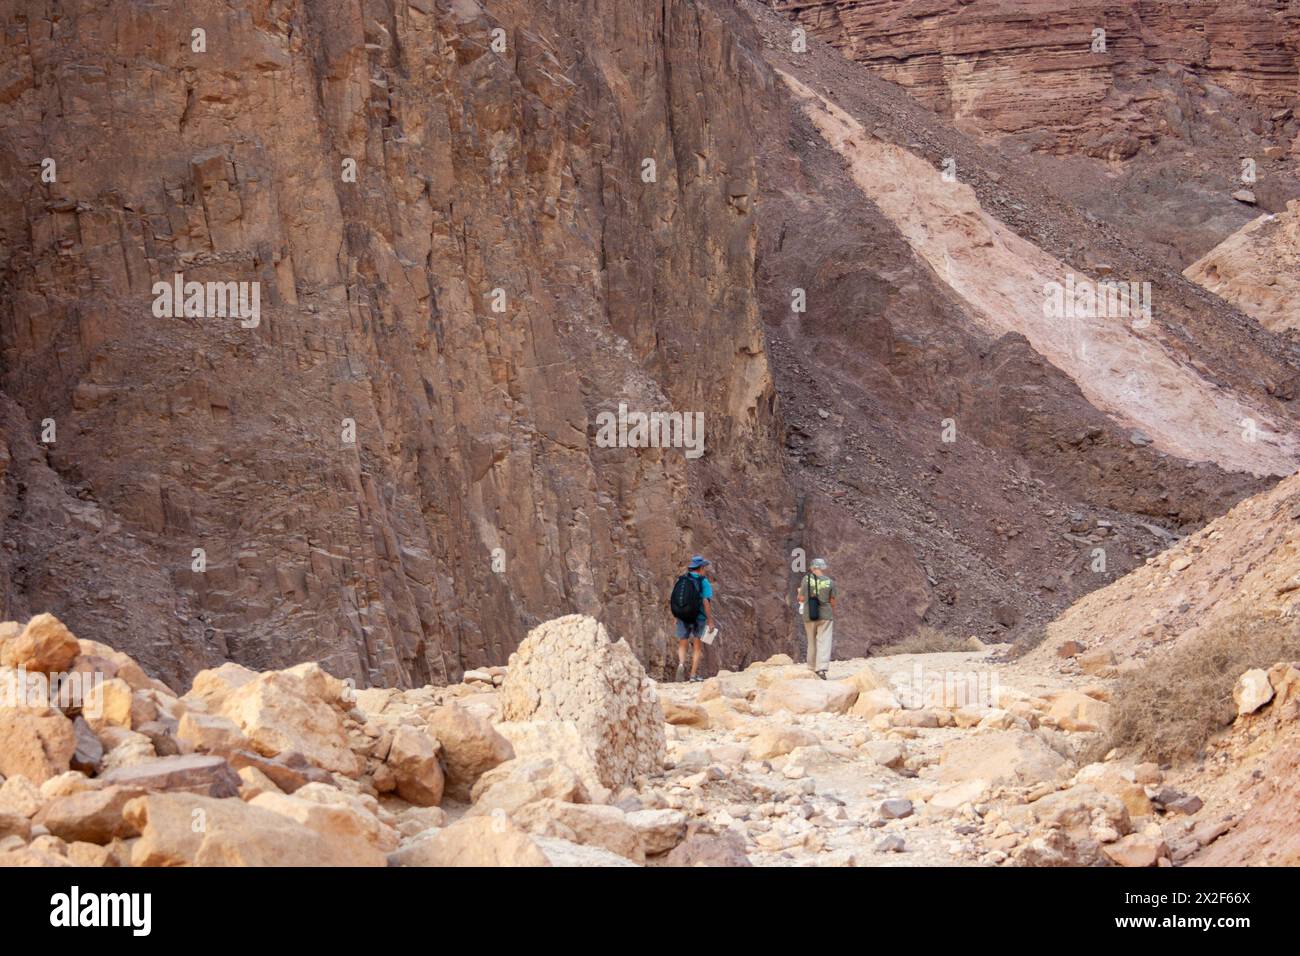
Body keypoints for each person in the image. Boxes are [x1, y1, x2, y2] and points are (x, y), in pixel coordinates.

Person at [670, 555, 714, 682]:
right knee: (697, 647)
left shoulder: (682, 579)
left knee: (682, 643)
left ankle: (681, 664)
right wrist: (710, 621)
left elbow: (676, 598)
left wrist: (677, 615)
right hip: (698, 618)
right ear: (700, 568)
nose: (704, 569)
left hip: (682, 616)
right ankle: (693, 675)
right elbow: (706, 602)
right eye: (704, 567)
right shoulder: (703, 582)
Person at [797, 558, 836, 680]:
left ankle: (811, 668)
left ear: (812, 568)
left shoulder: (806, 579)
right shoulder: (830, 582)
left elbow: (801, 598)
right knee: (824, 641)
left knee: (811, 641)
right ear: (822, 567)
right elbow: (832, 602)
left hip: (809, 615)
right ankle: (821, 669)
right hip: (825, 615)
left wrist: (799, 594)